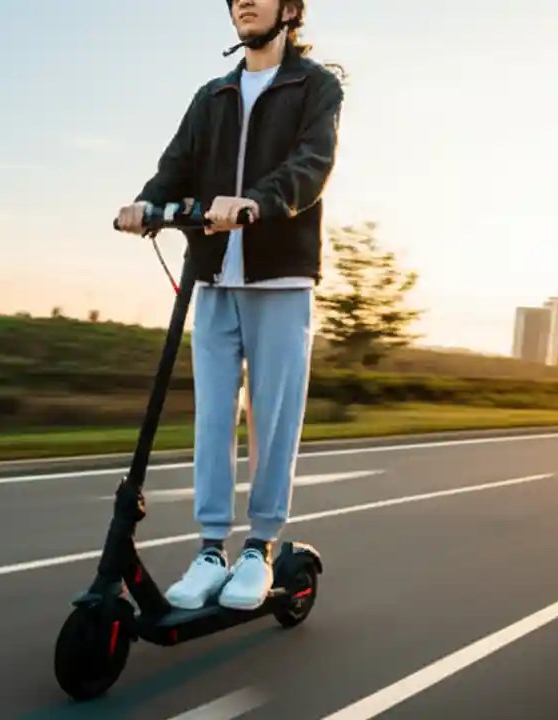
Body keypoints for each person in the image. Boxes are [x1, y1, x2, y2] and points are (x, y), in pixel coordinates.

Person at [114, 0, 344, 611]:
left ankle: (260, 548)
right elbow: (175, 170)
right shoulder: (212, 95)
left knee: (270, 422)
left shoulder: (315, 86)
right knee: (213, 420)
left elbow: (312, 166)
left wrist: (256, 203)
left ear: (291, 9)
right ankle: (212, 547)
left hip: (280, 279)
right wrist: (145, 204)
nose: (244, 1)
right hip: (212, 277)